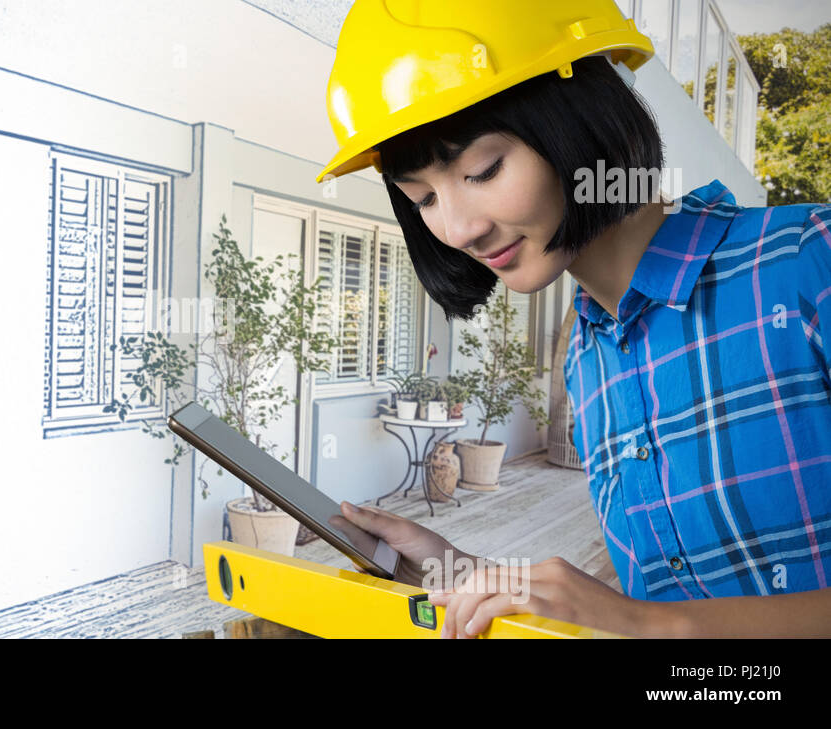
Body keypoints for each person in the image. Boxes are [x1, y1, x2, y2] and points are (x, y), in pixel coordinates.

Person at [318, 0, 831, 637]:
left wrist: (648, 626)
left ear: (582, 122)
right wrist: (465, 575)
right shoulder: (590, 355)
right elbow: (667, 604)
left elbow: (653, 624)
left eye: (483, 169)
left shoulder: (811, 260)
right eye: (423, 197)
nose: (459, 228)